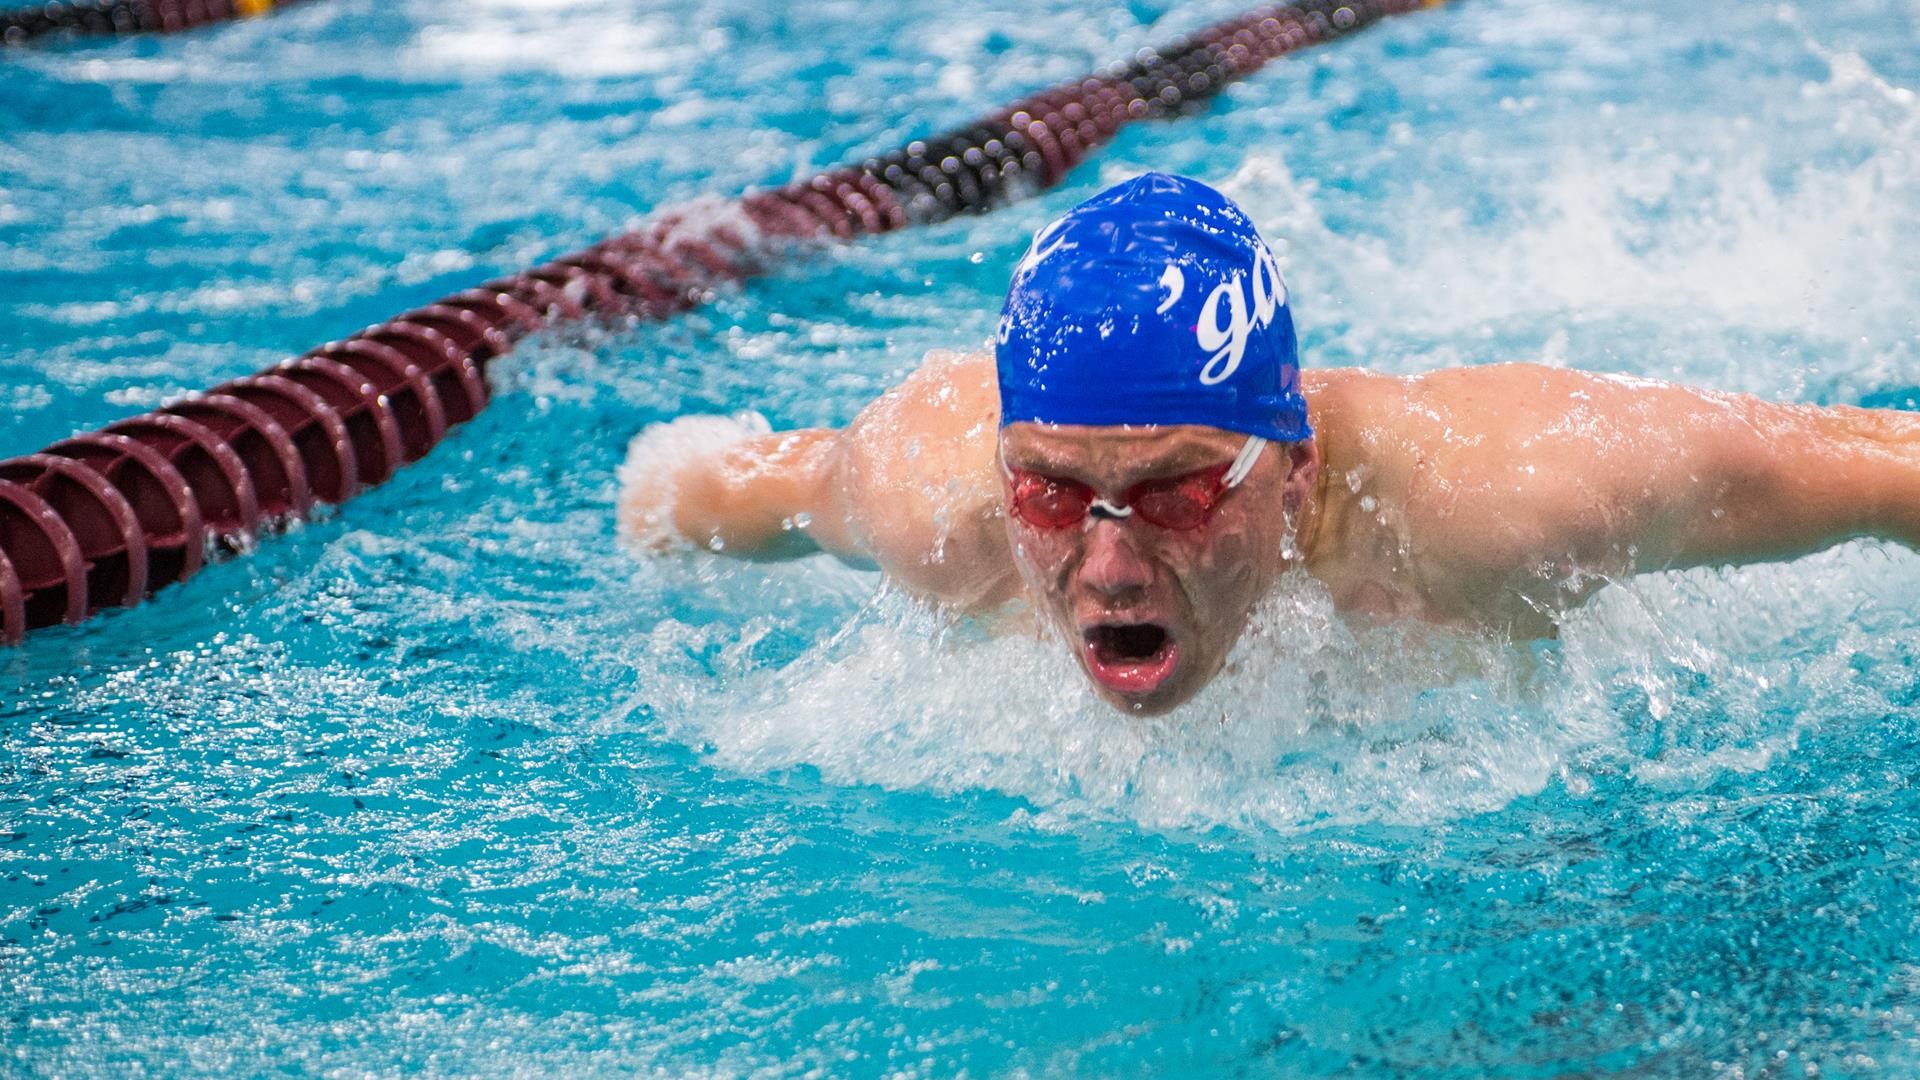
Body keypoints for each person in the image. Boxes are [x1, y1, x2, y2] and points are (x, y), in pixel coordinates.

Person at [618, 172, 1920, 715]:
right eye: (1054, 493)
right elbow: (675, 493)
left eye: (1176, 494)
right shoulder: (926, 496)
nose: (1110, 569)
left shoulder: (1502, 499)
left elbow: (1884, 465)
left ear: (1290, 460)